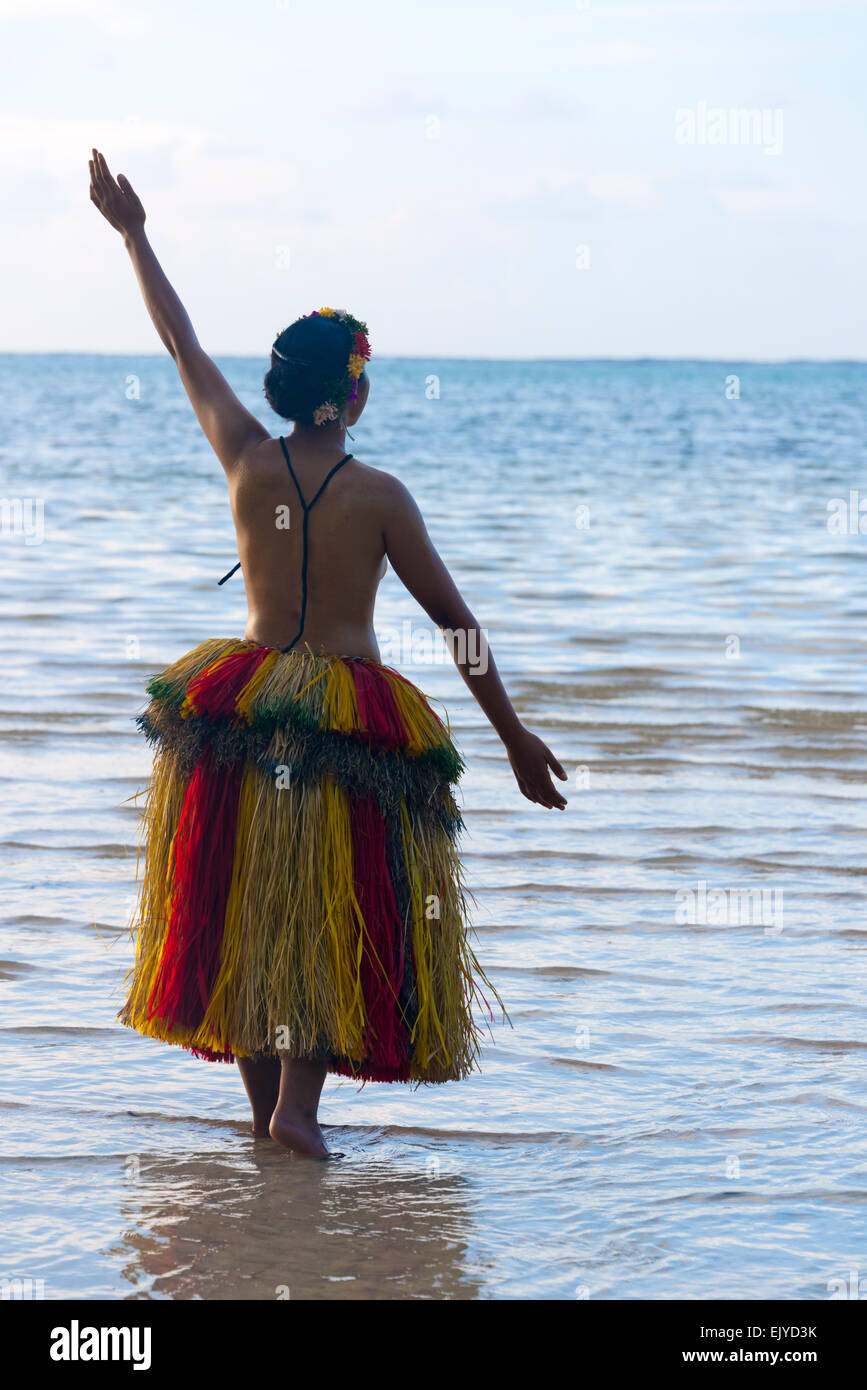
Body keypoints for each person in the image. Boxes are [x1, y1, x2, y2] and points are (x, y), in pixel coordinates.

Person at [89, 148, 568, 1160]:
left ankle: (272, 1121)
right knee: (319, 905)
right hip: (344, 716)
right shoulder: (381, 495)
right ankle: (298, 1114)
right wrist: (515, 736)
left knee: (255, 897)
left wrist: (134, 236)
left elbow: (177, 344)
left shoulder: (244, 456)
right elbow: (456, 622)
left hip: (244, 705)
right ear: (347, 394)